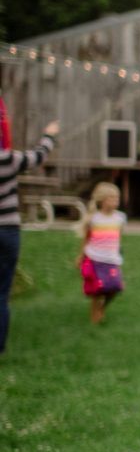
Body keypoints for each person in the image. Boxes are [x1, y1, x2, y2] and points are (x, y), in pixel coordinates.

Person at [1, 118, 59, 354]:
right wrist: (49, 135)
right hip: (7, 231)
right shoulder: (8, 159)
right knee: (2, 292)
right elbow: (39, 156)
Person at [79, 182, 126, 324]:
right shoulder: (94, 219)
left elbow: (118, 237)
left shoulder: (120, 218)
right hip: (95, 259)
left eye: (117, 198)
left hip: (112, 260)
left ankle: (102, 307)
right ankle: (94, 314)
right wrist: (81, 256)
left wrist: (118, 252)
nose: (116, 201)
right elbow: (87, 239)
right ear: (102, 200)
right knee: (98, 290)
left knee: (115, 287)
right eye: (111, 198)